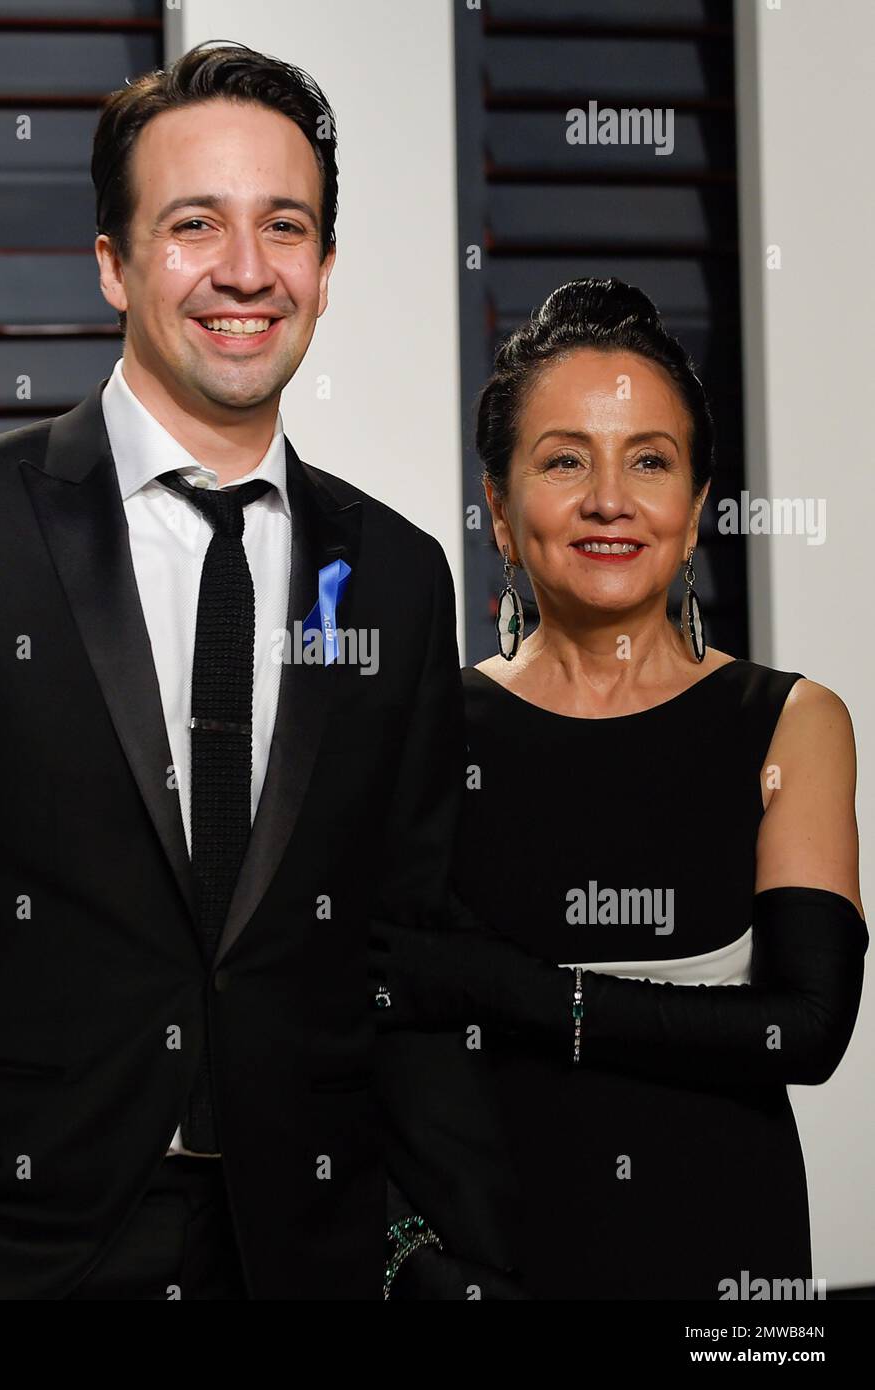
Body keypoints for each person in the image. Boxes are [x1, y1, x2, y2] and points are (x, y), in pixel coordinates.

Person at [0, 42, 464, 1301]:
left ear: (323, 270)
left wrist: (437, 1254)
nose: (246, 270)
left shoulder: (401, 578)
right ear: (112, 261)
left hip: (299, 1259)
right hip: (4, 1257)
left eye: (286, 227)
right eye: (194, 224)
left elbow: (407, 956)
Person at [372, 278, 867, 1300]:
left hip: (732, 1275)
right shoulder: (417, 732)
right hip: (494, 1267)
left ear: (690, 513)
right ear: (500, 514)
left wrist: (508, 990)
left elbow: (806, 1028)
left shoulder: (788, 721)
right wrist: (405, 1257)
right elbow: (347, 1024)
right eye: (564, 460)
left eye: (648, 460)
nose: (610, 499)